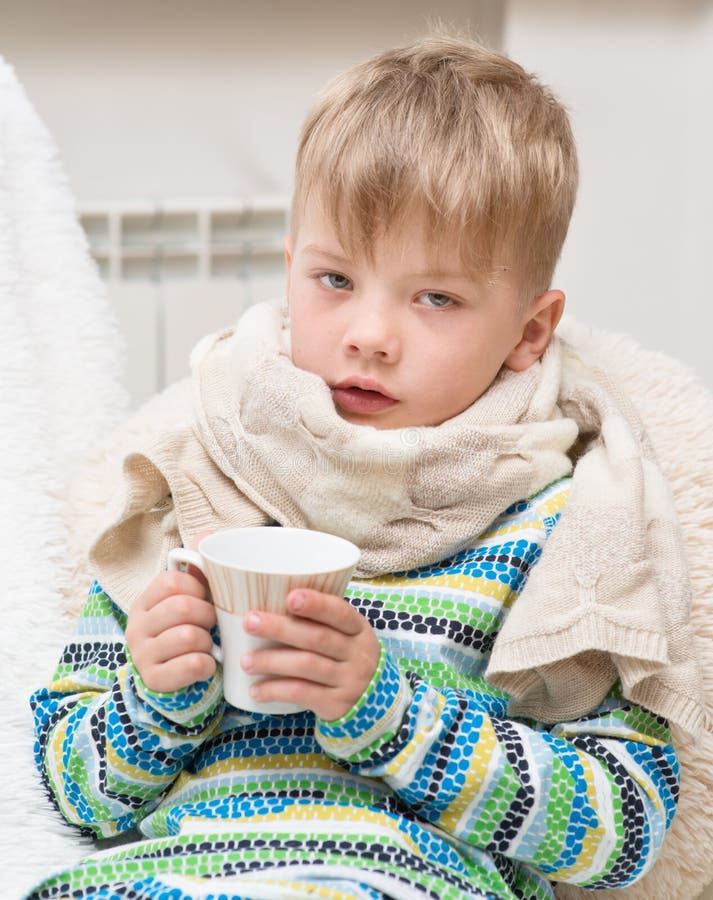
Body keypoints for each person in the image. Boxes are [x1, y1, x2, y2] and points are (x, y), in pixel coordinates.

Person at [28, 33, 698, 900]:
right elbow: (74, 798)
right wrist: (153, 695)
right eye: (335, 279)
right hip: (167, 881)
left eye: (436, 298)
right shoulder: (200, 479)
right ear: (289, 269)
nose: (368, 334)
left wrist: (394, 713)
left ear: (530, 332)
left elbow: (622, 831)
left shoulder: (563, 524)